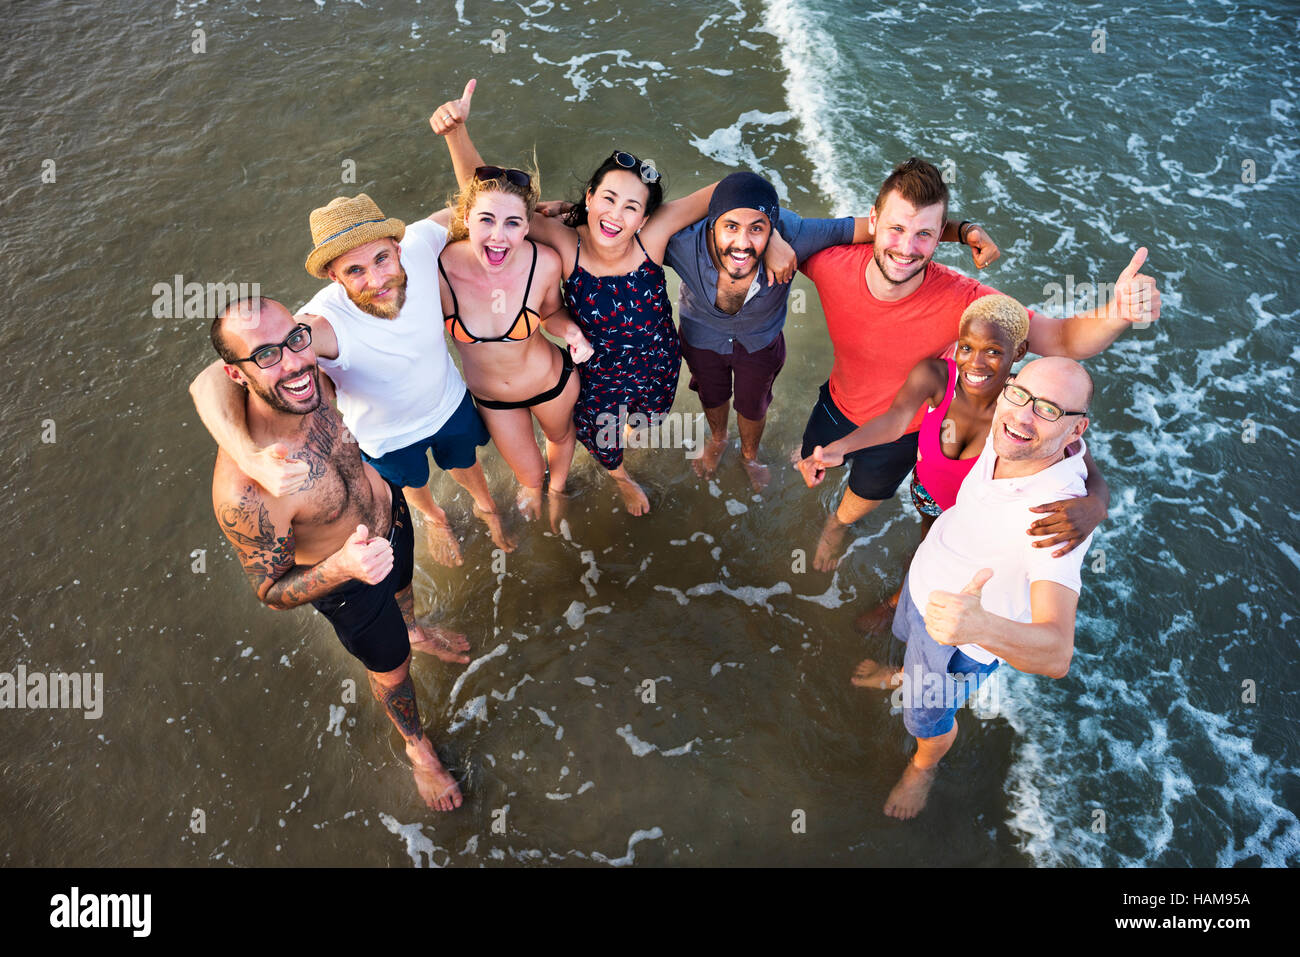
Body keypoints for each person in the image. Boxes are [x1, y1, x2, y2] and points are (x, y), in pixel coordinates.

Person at [190, 82, 514, 567]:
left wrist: (456, 131)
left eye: (381, 259)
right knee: (415, 486)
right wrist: (248, 456)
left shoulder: (423, 245)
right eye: (354, 272)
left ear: (397, 247)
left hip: (448, 405)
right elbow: (210, 377)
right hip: (386, 438)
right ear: (334, 277)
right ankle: (434, 518)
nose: (376, 280)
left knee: (467, 463)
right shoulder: (322, 323)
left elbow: (477, 200)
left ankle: (485, 506)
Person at [798, 157, 1158, 571]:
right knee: (812, 456)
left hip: (903, 432)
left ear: (937, 241)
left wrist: (1120, 311)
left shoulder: (965, 300)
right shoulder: (829, 263)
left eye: (924, 235)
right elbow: (760, 237)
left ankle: (835, 527)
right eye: (896, 229)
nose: (906, 248)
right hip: (836, 403)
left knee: (862, 495)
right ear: (874, 221)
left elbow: (1060, 339)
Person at [207, 297, 469, 811]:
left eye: (293, 341)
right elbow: (271, 590)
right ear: (235, 375)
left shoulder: (315, 378)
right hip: (347, 581)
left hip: (391, 516)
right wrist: (340, 567)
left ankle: (413, 627)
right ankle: (418, 748)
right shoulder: (247, 493)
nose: (292, 363)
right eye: (264, 356)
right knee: (391, 669)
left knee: (405, 594)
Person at [797, 294, 1108, 669]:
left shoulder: (1023, 412)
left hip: (970, 513)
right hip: (928, 493)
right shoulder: (940, 377)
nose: (975, 363)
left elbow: (1087, 470)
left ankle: (898, 604)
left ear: (1019, 352)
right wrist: (839, 449)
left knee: (954, 565)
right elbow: (896, 420)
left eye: (993, 351)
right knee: (930, 543)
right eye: (966, 347)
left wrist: (1096, 506)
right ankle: (903, 604)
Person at [666, 171, 1000, 491]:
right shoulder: (680, 242)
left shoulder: (794, 234)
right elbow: (625, 240)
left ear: (773, 228)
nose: (742, 241)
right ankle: (719, 439)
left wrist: (961, 231)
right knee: (712, 396)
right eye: (730, 227)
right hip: (701, 340)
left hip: (760, 345)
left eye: (757, 228)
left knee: (753, 407)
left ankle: (749, 456)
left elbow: (880, 229)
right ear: (712, 224)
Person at [876, 356, 1097, 819]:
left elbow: (1057, 654)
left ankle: (923, 767)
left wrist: (980, 624)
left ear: (1076, 430)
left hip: (957, 639)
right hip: (924, 585)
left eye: (1049, 410)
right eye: (1020, 395)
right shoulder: (1015, 430)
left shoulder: (1055, 519)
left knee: (926, 719)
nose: (1023, 415)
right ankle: (902, 674)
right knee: (904, 645)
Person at [525, 153, 796, 515]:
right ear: (589, 196)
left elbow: (731, 190)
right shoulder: (565, 242)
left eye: (631, 207)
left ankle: (634, 432)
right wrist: (456, 132)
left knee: (649, 420)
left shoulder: (650, 237)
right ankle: (621, 478)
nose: (616, 214)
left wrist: (772, 233)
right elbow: (493, 206)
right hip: (602, 374)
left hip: (660, 365)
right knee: (602, 436)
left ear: (645, 218)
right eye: (607, 198)